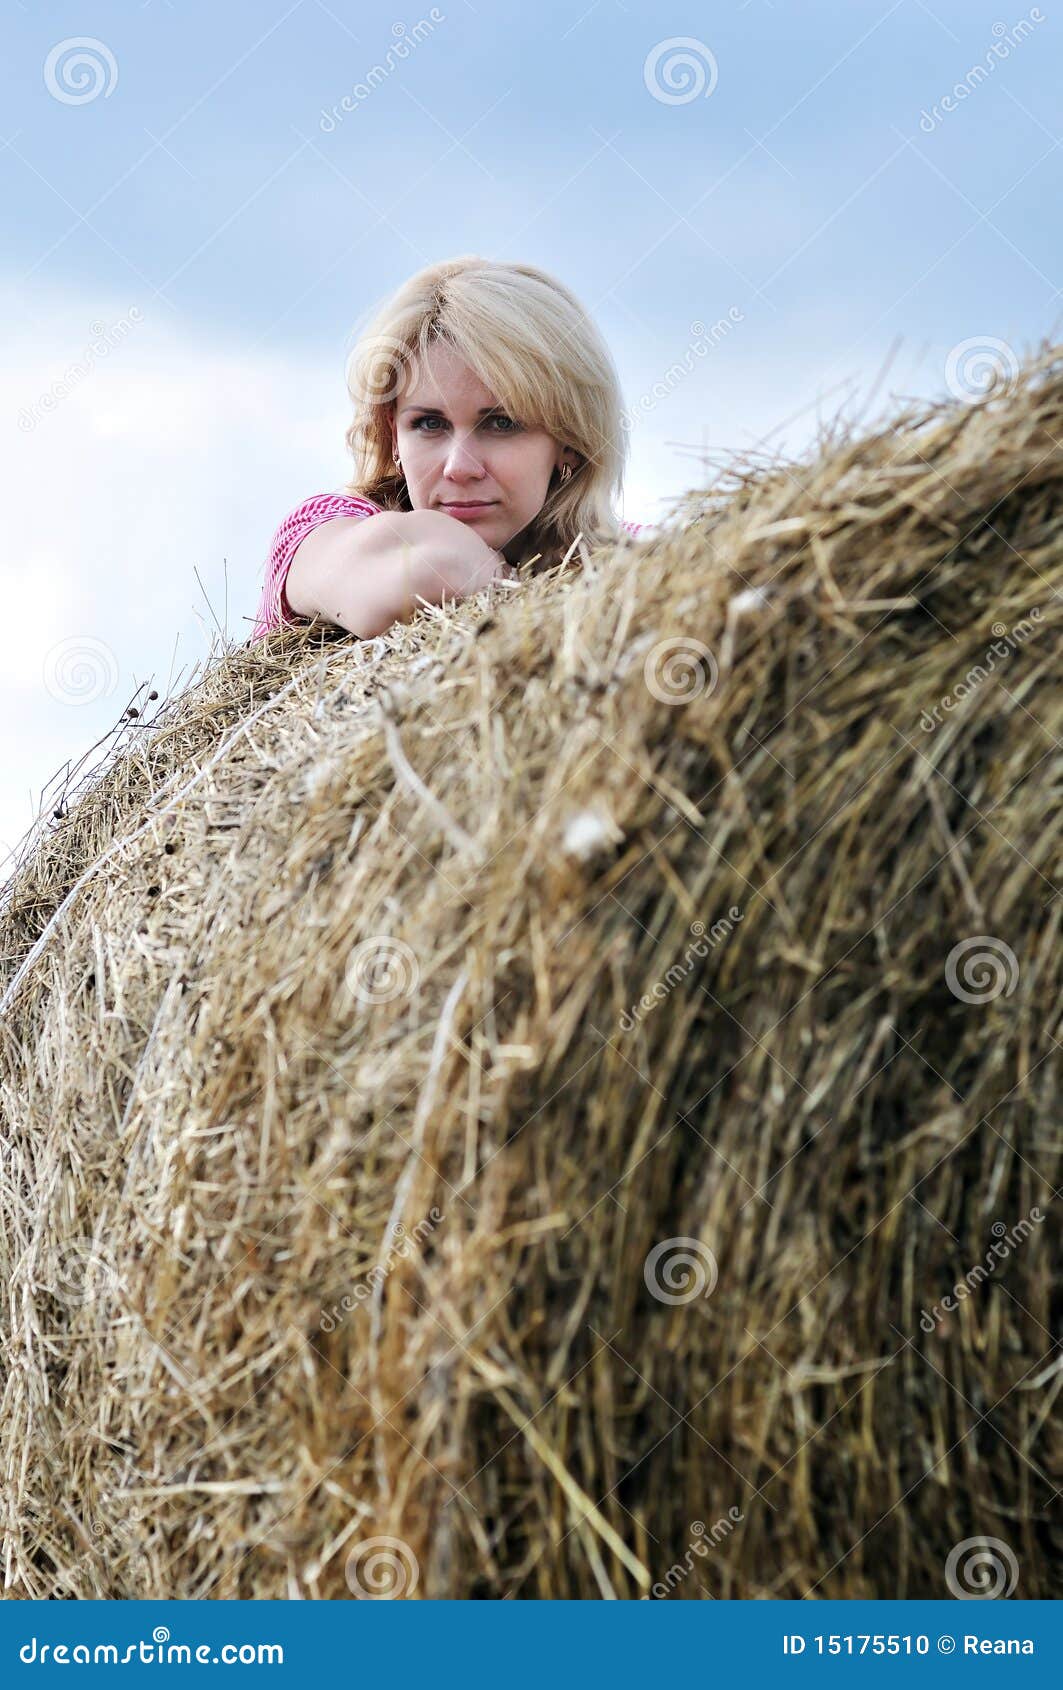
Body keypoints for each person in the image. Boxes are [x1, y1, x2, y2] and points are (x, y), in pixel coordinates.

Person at [250, 256, 645, 643]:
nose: (460, 467)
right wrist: (526, 592)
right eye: (429, 424)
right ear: (393, 435)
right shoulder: (320, 530)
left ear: (570, 443)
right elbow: (425, 571)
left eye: (501, 423)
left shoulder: (636, 557)